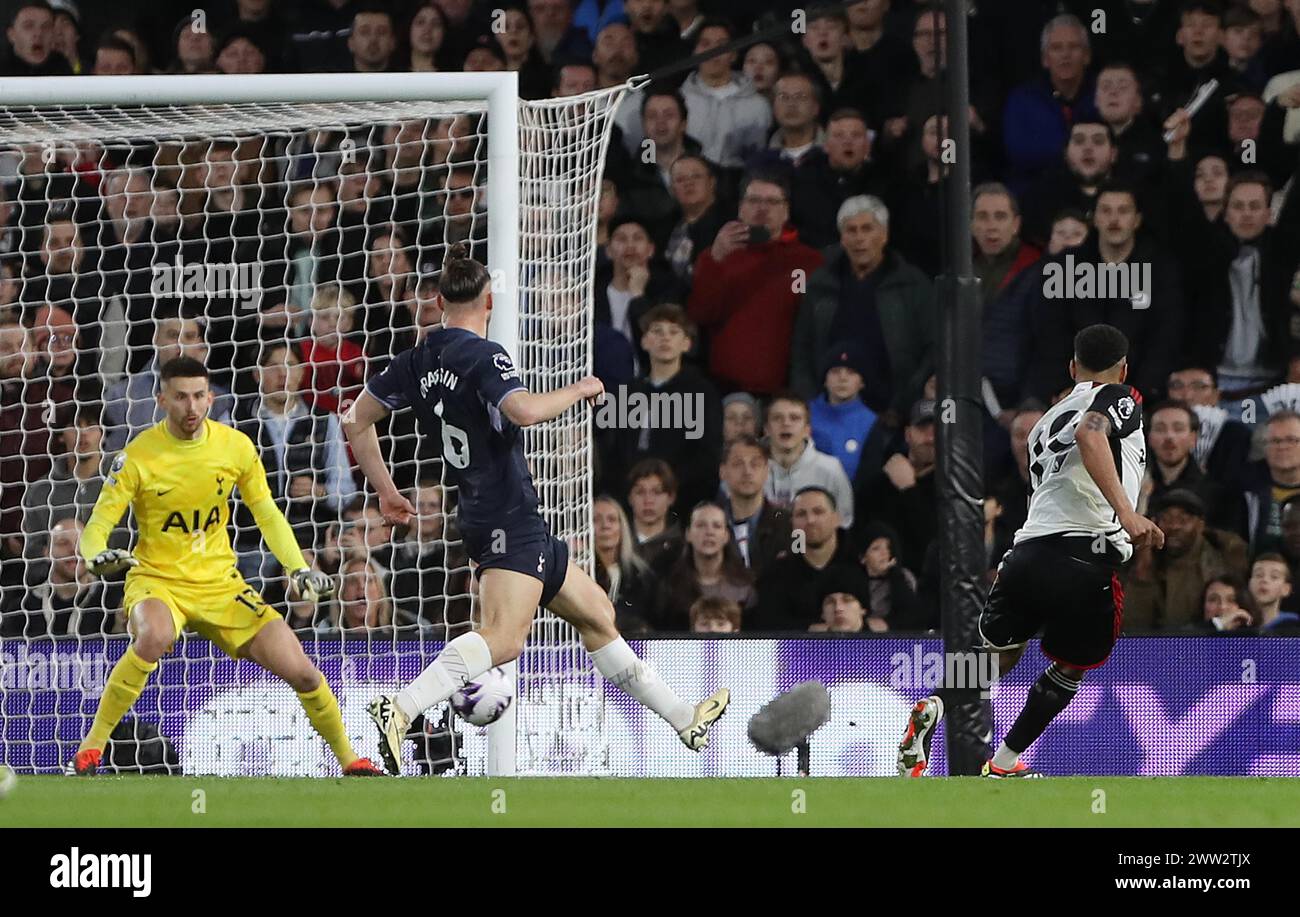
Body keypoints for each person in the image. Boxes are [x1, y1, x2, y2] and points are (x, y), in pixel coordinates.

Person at [342, 244, 729, 773]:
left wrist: (386, 491)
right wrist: (583, 388)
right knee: (504, 638)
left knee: (597, 614)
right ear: (490, 301)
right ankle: (402, 705)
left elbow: (354, 421)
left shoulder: (413, 362)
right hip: (504, 514)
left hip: (497, 515)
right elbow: (522, 410)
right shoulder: (484, 354)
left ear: (437, 301)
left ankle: (684, 717)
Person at [69, 356, 381, 777]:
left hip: (222, 586)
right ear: (162, 399)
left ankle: (350, 760)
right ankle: (91, 748)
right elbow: (97, 526)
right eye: (181, 397)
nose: (191, 407)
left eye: (199, 396)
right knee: (155, 634)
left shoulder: (234, 446)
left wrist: (296, 568)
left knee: (304, 673)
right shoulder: (138, 456)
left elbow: (268, 513)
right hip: (158, 581)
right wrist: (94, 555)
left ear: (211, 398)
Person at [897, 324, 1162, 778]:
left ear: (1072, 367)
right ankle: (1000, 764)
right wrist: (1129, 512)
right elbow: (1092, 434)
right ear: (1122, 368)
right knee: (1073, 664)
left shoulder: (1043, 423)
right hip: (1085, 553)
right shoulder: (1122, 396)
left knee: (998, 654)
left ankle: (936, 704)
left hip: (1025, 555)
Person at [662, 502, 756, 631]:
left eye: (716, 526)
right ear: (688, 534)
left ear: (726, 536)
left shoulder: (745, 586)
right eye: (701, 525)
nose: (709, 532)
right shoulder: (670, 586)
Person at [717, 435, 791, 578]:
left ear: (766, 471)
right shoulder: (710, 524)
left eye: (755, 464)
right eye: (738, 464)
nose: (747, 472)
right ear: (723, 472)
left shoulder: (788, 524)